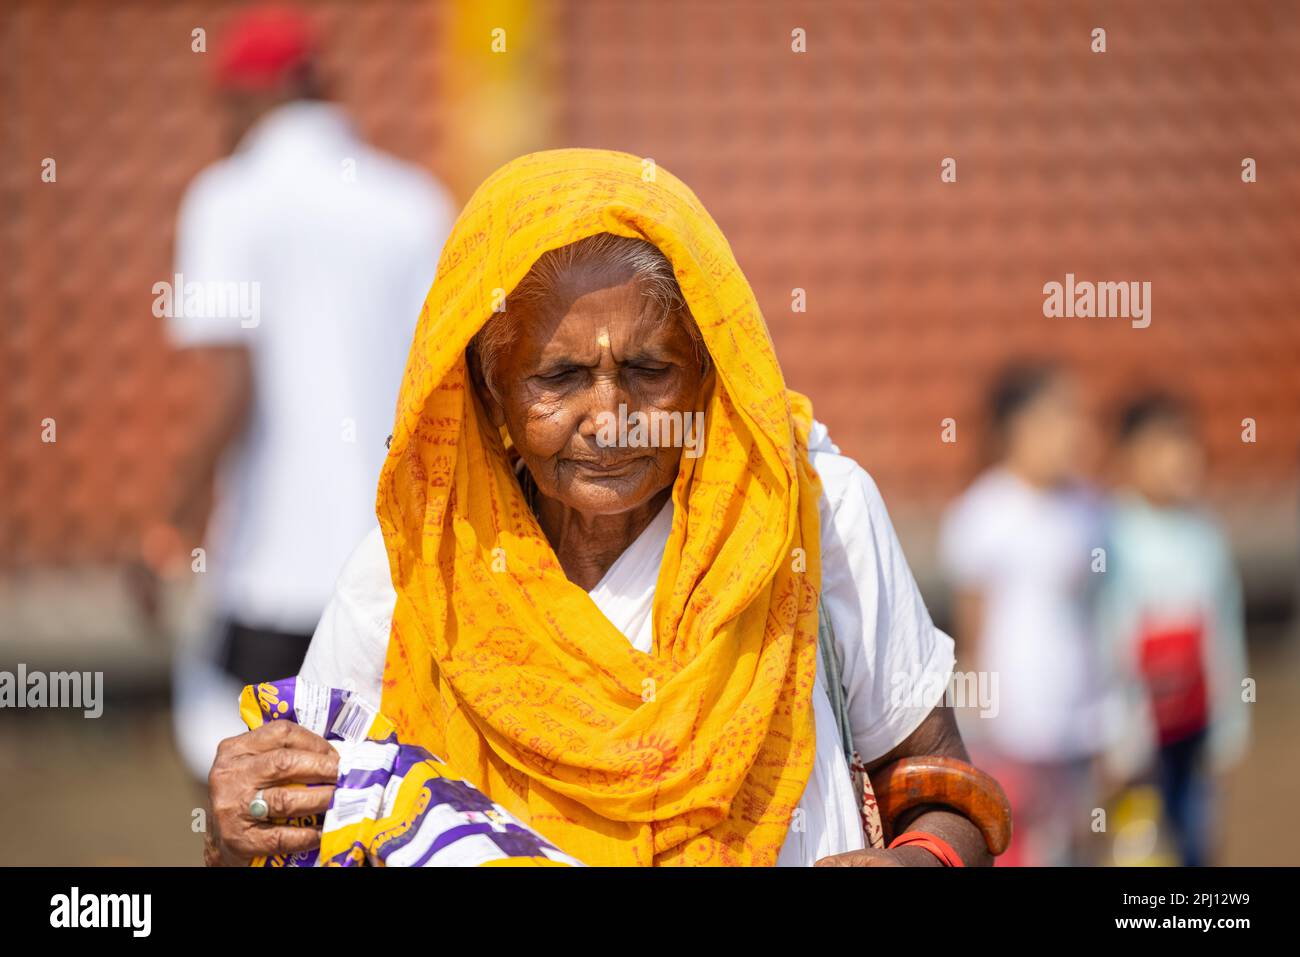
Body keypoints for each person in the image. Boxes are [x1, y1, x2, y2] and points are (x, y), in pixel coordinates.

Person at [203, 148, 1001, 867]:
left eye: (651, 369)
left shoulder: (813, 516)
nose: (611, 417)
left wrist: (921, 860)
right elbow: (300, 827)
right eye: (558, 379)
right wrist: (241, 826)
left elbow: (940, 785)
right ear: (492, 391)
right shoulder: (420, 565)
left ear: (707, 369)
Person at [159, 7, 456, 780]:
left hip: (269, 578)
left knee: (250, 796)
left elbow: (232, 390)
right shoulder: (413, 202)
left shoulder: (227, 199)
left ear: (257, 96)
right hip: (391, 572)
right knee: (381, 800)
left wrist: (165, 520)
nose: (221, 126)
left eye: (226, 104)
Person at [938, 362, 1108, 866]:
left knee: (1076, 843)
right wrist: (980, 717)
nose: (1071, 432)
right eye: (1056, 417)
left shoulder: (1089, 510)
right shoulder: (985, 513)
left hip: (1077, 714)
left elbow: (1098, 614)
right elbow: (973, 625)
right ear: (1016, 428)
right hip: (1013, 723)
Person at [1097, 392, 1250, 866]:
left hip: (1194, 725)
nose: (1179, 461)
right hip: (1134, 733)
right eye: (1162, 448)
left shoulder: (1206, 538)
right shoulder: (1109, 535)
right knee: (1136, 847)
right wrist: (1115, 730)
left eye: (1186, 446)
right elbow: (1105, 634)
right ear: (1128, 456)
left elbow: (1224, 629)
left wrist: (1229, 726)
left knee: (1196, 838)